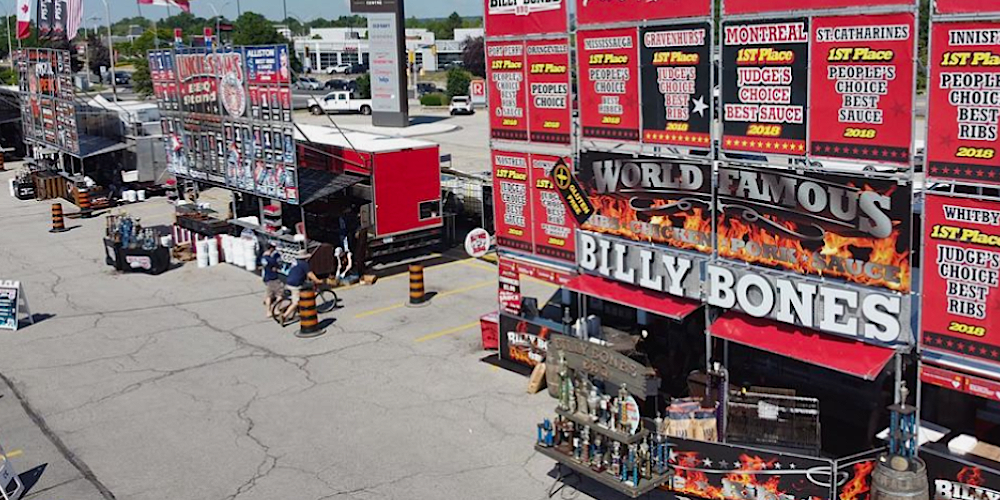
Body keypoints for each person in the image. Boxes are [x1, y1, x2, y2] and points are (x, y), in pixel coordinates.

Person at [282, 248, 322, 324]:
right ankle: (284, 316)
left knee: (303, 288)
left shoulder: (296, 262)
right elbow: (310, 274)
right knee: (296, 302)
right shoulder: (304, 264)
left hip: (289, 281)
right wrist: (317, 280)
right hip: (295, 284)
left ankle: (293, 313)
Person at [260, 244, 282, 318]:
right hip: (274, 278)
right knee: (280, 295)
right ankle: (276, 309)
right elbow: (277, 264)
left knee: (269, 295)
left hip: (266, 277)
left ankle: (268, 311)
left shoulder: (263, 257)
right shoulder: (271, 258)